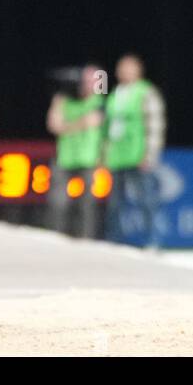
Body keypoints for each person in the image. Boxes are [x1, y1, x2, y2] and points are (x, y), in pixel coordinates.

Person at [103, 54, 166, 246]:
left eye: (129, 68)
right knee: (114, 203)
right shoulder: (114, 94)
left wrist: (150, 154)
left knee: (146, 200)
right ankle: (113, 240)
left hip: (138, 156)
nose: (124, 72)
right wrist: (104, 153)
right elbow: (108, 128)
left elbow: (155, 124)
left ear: (138, 70)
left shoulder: (146, 92)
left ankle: (153, 241)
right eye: (121, 68)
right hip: (117, 157)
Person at [46, 65, 106, 239]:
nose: (89, 84)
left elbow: (98, 124)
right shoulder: (62, 99)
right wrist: (80, 123)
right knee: (59, 201)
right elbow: (54, 125)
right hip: (65, 157)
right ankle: (55, 236)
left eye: (93, 81)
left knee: (87, 204)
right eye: (86, 81)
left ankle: (87, 238)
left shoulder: (99, 102)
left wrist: (69, 125)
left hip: (89, 159)